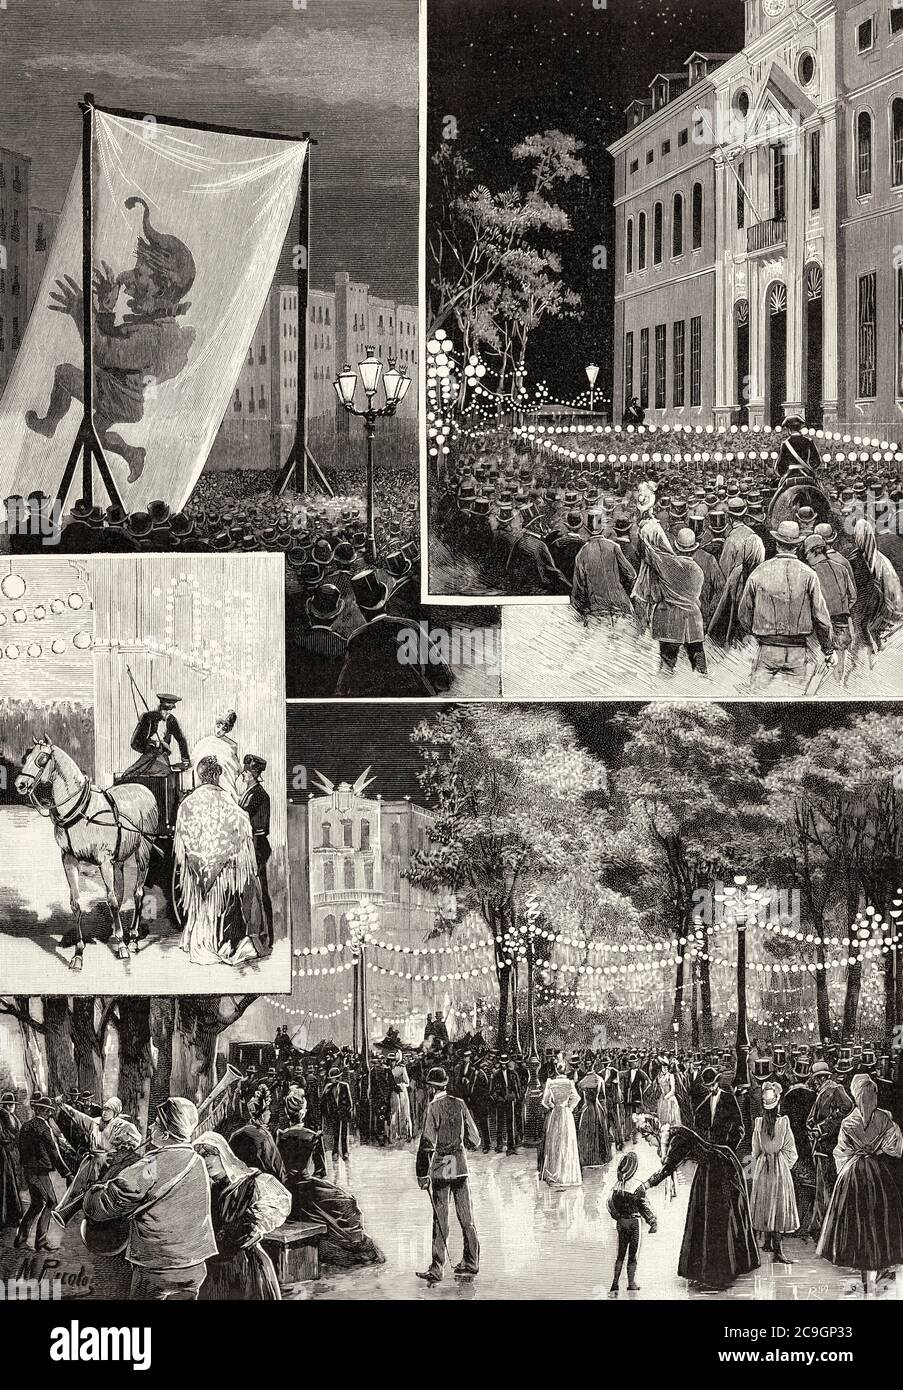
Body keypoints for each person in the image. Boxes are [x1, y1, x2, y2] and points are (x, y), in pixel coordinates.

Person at [83, 1098, 217, 1300]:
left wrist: (93, 1193)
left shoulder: (153, 1164)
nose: (152, 1126)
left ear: (165, 1133)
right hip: (194, 1266)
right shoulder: (197, 1161)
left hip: (158, 1267)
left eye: (156, 1123)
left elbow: (107, 1204)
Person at [643, 1125, 760, 1290]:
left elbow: (667, 1168)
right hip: (716, 1163)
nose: (649, 1144)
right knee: (708, 1217)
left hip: (717, 1167)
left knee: (716, 1219)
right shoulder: (677, 1133)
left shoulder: (677, 1140)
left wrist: (646, 1185)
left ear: (656, 1134)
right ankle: (712, 1269)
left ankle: (718, 1274)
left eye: (648, 1140)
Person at [817, 1072, 903, 1296]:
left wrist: (846, 1169)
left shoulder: (848, 1122)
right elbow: (896, 1148)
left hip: (853, 1174)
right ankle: (877, 1269)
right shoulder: (884, 1118)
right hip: (877, 1173)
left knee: (858, 1224)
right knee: (878, 1221)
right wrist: (877, 1149)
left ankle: (864, 1275)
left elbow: (841, 1152)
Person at [276, 1092, 384, 1269]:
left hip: (288, 1186)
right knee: (347, 1202)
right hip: (306, 1185)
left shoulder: (281, 1135)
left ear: (288, 1113)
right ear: (303, 1112)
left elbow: (280, 1166)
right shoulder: (311, 1136)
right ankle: (355, 1245)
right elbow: (320, 1170)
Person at [175, 755, 265, 965]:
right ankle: (234, 940)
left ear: (200, 776)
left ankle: (201, 939)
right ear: (215, 775)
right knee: (247, 885)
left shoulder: (187, 803)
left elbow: (183, 835)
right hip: (224, 867)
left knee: (202, 900)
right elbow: (241, 822)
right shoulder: (225, 798)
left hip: (197, 865)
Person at [737, 520, 835, 689]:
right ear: (797, 546)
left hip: (767, 649)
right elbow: (821, 618)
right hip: (798, 651)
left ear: (777, 543)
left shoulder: (759, 572)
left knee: (758, 697)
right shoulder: (809, 575)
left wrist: (756, 632)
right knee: (795, 700)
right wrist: (828, 650)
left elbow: (744, 614)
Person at [194, 1131, 290, 1301]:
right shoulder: (201, 1188)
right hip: (213, 1265)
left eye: (209, 1154)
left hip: (246, 1262)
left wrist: (257, 1226)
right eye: (200, 1155)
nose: (205, 1160)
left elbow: (280, 1201)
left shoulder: (250, 1181)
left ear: (222, 1153)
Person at [415, 1066, 481, 1285]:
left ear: (433, 1088)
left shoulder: (433, 1108)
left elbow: (427, 1144)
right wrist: (461, 1144)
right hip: (459, 1166)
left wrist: (422, 1174)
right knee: (467, 1218)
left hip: (442, 1167)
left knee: (440, 1218)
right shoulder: (460, 1104)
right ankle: (471, 1262)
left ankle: (437, 1268)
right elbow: (476, 1139)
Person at [749, 1080, 799, 1262]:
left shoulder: (758, 1123)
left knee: (763, 1203)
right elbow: (791, 1150)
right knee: (777, 1206)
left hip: (763, 1166)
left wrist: (755, 1168)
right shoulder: (784, 1123)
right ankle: (777, 1250)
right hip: (779, 1166)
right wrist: (784, 1165)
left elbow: (754, 1150)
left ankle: (763, 1245)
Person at [14, 1094, 70, 1250]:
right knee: (51, 1202)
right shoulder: (44, 1127)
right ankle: (41, 1241)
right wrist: (66, 1172)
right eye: (48, 1111)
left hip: (29, 1170)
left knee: (37, 1204)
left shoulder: (26, 1126)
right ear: (45, 1111)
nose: (49, 1113)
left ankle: (21, 1239)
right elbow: (53, 1152)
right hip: (39, 1172)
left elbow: (20, 1147)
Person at [806, 1058, 854, 1238]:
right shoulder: (822, 1091)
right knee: (822, 1189)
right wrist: (811, 1125)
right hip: (820, 1147)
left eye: (819, 1078)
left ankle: (829, 1228)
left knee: (828, 1188)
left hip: (829, 1147)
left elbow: (847, 1110)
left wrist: (823, 1128)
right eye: (816, 1078)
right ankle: (821, 1227)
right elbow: (814, 1115)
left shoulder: (836, 1089)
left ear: (824, 1077)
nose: (817, 1081)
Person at [607, 1151, 657, 1296]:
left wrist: (617, 1217)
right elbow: (644, 1207)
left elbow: (610, 1205)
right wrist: (652, 1221)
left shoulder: (616, 1187)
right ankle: (631, 1283)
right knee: (633, 1255)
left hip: (621, 1222)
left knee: (620, 1255)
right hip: (635, 1223)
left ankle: (615, 1284)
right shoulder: (637, 1187)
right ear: (634, 1170)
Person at [239, 753, 273, 950]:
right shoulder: (250, 791)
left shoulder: (258, 794)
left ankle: (263, 937)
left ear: (252, 774)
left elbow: (244, 816)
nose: (242, 775)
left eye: (245, 772)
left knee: (258, 892)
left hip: (256, 846)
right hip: (252, 844)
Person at [538, 1060, 582, 1188]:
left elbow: (545, 1101)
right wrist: (569, 1107)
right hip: (566, 1114)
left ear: (556, 1070)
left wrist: (553, 1106)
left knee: (555, 1143)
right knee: (566, 1142)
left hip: (555, 1114)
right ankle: (567, 1175)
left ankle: (555, 1176)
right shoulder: (569, 1083)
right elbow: (577, 1098)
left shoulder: (551, 1083)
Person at [229, 1088, 287, 1181]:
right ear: (262, 1114)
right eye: (268, 1110)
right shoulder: (265, 1137)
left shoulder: (236, 1134)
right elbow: (277, 1169)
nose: (270, 1113)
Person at [191, 710, 242, 801]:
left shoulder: (231, 746)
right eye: (218, 726)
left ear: (228, 729)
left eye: (224, 729)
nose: (219, 730)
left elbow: (235, 769)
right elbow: (194, 761)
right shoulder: (204, 743)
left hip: (224, 785)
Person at [694, 1066, 745, 1148]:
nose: (711, 1089)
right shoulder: (705, 1103)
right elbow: (697, 1121)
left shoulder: (728, 1098)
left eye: (712, 1085)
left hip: (726, 1145)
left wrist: (731, 1145)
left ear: (717, 1082)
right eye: (708, 1086)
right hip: (710, 1146)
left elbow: (738, 1124)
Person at [576, 1065, 612, 1168]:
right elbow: (603, 1095)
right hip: (597, 1108)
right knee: (599, 1130)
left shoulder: (583, 1081)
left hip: (587, 1108)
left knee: (586, 1132)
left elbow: (580, 1092)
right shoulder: (599, 1079)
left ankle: (587, 1158)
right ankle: (600, 1158)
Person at [321, 1067, 355, 1159]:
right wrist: (326, 1113)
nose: (332, 1080)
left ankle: (345, 1152)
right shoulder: (328, 1087)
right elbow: (323, 1101)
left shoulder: (344, 1086)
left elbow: (349, 1100)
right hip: (333, 1113)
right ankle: (335, 1152)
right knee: (335, 1133)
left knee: (344, 1133)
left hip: (343, 1112)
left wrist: (349, 1110)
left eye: (333, 1078)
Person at [490, 1053, 521, 1155]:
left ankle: (511, 1147)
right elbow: (492, 1090)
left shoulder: (513, 1073)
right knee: (499, 1124)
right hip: (500, 1101)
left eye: (505, 1063)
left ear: (507, 1063)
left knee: (510, 1124)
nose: (503, 1065)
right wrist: (498, 1098)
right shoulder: (496, 1074)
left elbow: (517, 1087)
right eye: (502, 1063)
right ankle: (499, 1145)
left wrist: (515, 1097)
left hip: (509, 1101)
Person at [0, 1092, 22, 1229]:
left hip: (6, 1154)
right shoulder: (5, 1116)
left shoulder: (9, 1116)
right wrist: (12, 1141)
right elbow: (5, 1135)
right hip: (2, 1154)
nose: (13, 1107)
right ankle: (6, 1218)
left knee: (8, 1183)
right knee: (5, 1183)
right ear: (8, 1106)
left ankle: (9, 1217)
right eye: (12, 1105)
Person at [388, 1052, 413, 1145]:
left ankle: (406, 1134)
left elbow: (407, 1082)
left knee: (404, 1112)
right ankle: (394, 1135)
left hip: (402, 1091)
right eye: (390, 1060)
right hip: (393, 1092)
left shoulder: (402, 1068)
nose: (391, 1062)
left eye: (393, 1060)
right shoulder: (388, 1070)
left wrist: (401, 1085)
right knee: (394, 1112)